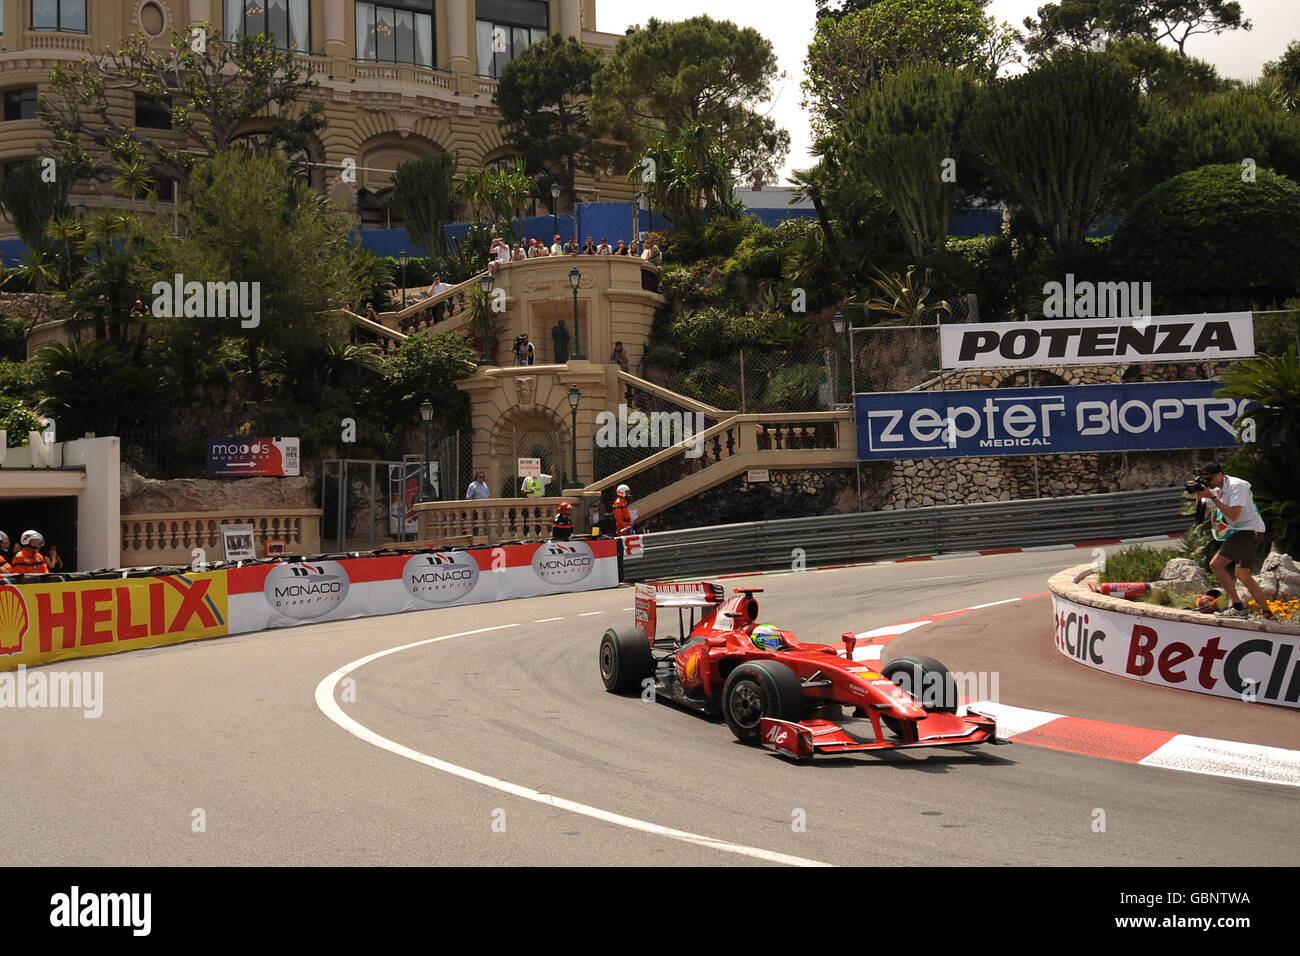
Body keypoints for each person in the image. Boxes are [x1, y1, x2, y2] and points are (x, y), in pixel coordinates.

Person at [1193, 461, 1275, 619]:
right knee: (1243, 574)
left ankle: (1237, 608)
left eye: (1209, 479)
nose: (1208, 483)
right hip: (1243, 531)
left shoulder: (1237, 486)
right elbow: (1201, 516)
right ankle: (1268, 613)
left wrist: (1213, 498)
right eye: (1205, 480)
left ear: (1219, 475)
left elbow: (1234, 515)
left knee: (1216, 565)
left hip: (1249, 530)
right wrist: (1199, 494)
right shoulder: (1213, 488)